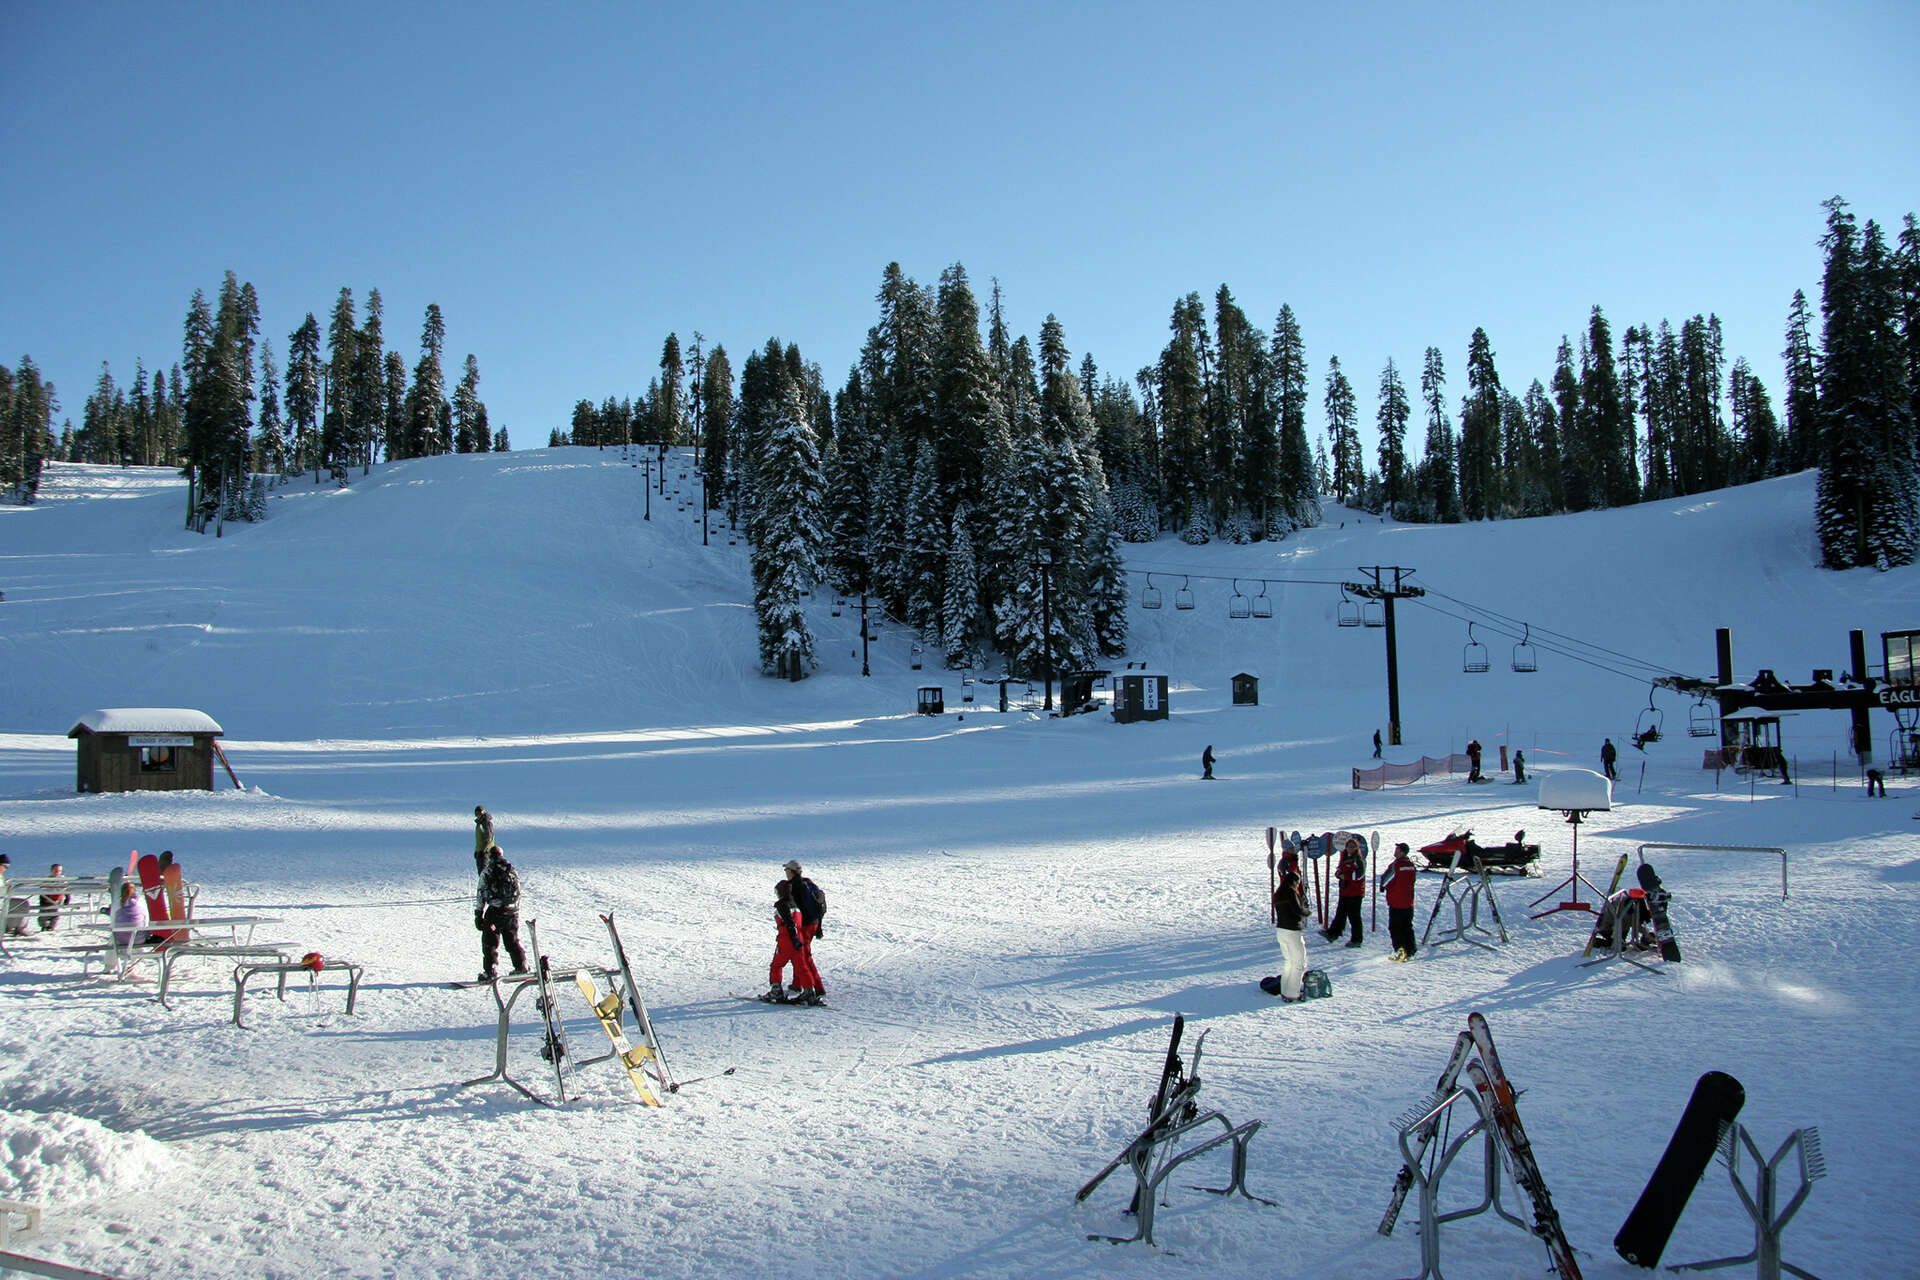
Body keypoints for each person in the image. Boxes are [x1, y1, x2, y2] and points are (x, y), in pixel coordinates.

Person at [474, 844, 529, 982]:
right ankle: (521, 965)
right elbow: (518, 890)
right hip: (512, 911)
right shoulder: (511, 870)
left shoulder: (488, 871)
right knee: (512, 940)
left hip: (495, 912)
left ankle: (490, 970)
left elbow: (481, 893)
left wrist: (478, 913)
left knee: (490, 942)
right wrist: (515, 908)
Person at [764, 879, 824, 1004]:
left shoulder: (782, 905)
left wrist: (793, 938)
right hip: (799, 941)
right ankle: (809, 992)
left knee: (776, 965)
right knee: (801, 967)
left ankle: (776, 991)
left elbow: (789, 923)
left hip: (787, 941)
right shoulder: (795, 905)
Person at [782, 858, 826, 1002]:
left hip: (804, 925)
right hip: (814, 923)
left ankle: (818, 987)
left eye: (786, 870)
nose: (785, 872)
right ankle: (797, 984)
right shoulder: (808, 882)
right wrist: (819, 926)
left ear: (791, 871)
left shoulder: (794, 886)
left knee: (804, 955)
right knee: (798, 953)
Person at [1271, 853, 1310, 1001]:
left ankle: (1285, 990)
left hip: (1281, 930)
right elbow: (1297, 910)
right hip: (1293, 930)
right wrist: (1307, 911)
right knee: (1299, 962)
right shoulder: (1291, 893)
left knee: (1289, 961)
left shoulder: (1279, 893)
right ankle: (1293, 993)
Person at [1322, 838, 1366, 947]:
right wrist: (1339, 875)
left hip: (1355, 893)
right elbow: (1339, 870)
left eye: (1352, 846)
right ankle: (1333, 933)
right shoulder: (1346, 858)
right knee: (1340, 913)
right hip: (1345, 891)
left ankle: (1357, 940)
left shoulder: (1358, 859)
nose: (1350, 848)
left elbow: (1360, 875)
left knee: (1354, 917)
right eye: (1348, 846)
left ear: (1356, 848)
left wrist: (1345, 877)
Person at [1382, 842, 1420, 961]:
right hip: (1408, 901)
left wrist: (1383, 886)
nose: (1395, 851)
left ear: (1402, 852)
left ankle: (1400, 952)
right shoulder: (1411, 865)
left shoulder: (1396, 865)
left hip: (1396, 902)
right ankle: (1411, 950)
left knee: (1395, 928)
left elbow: (1386, 880)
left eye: (1397, 849)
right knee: (1407, 927)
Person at [111, 879, 149, 949]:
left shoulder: (117, 902)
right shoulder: (141, 901)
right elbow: (146, 921)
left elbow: (113, 921)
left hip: (121, 940)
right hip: (139, 939)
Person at [38, 862, 69, 933]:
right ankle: (44, 926)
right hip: (47, 900)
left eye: (60, 871)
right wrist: (42, 899)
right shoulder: (47, 880)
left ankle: (51, 927)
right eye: (56, 871)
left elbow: (66, 889)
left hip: (57, 900)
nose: (58, 872)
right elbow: (42, 890)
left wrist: (67, 898)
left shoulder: (63, 880)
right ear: (51, 871)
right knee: (43, 915)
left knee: (55, 915)